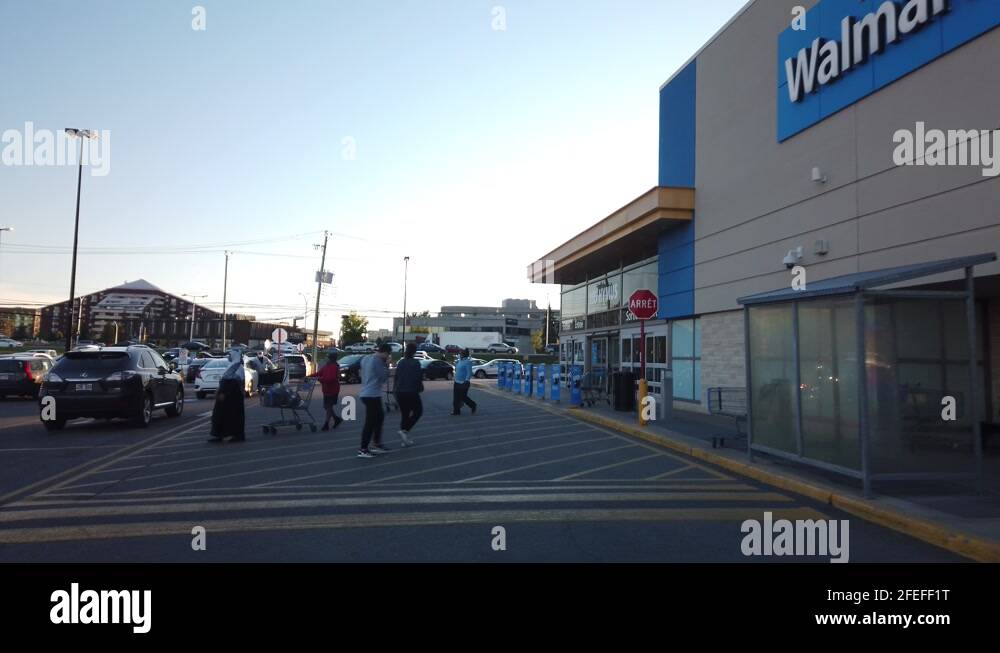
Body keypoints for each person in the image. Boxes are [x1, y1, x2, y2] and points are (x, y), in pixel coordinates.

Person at [357, 343, 391, 458]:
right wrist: (386, 365)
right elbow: (383, 378)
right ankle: (363, 449)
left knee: (379, 417)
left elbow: (362, 371)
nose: (388, 357)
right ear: (385, 353)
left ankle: (376, 443)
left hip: (367, 392)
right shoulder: (378, 361)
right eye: (388, 355)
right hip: (372, 394)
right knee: (370, 422)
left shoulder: (366, 358)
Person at [208, 350, 247, 443]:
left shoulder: (238, 367)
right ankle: (218, 435)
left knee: (232, 417)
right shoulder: (232, 365)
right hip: (226, 397)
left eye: (230, 355)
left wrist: (224, 393)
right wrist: (219, 390)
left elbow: (234, 383)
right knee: (219, 415)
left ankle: (236, 435)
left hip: (232, 398)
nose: (229, 356)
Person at [393, 343, 423, 446]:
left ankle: (404, 440)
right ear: (414, 352)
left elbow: (396, 377)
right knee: (418, 411)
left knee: (405, 414)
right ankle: (405, 430)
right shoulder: (416, 363)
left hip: (400, 392)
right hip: (411, 391)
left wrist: (394, 390)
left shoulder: (401, 362)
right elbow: (418, 378)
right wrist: (420, 388)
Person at [309, 351, 344, 431]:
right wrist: (309, 376)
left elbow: (330, 379)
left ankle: (326, 424)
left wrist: (320, 379)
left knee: (328, 406)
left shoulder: (334, 367)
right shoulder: (326, 366)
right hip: (326, 389)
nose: (326, 359)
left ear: (331, 358)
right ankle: (336, 419)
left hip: (332, 389)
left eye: (328, 357)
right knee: (327, 407)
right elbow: (319, 373)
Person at [452, 348, 478, 416]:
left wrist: (466, 380)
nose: (459, 354)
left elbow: (469, 372)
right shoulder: (459, 361)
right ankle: (456, 411)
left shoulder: (468, 362)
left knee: (463, 397)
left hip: (463, 382)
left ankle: (473, 405)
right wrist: (455, 364)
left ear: (464, 355)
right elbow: (457, 370)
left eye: (460, 353)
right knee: (456, 398)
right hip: (457, 382)